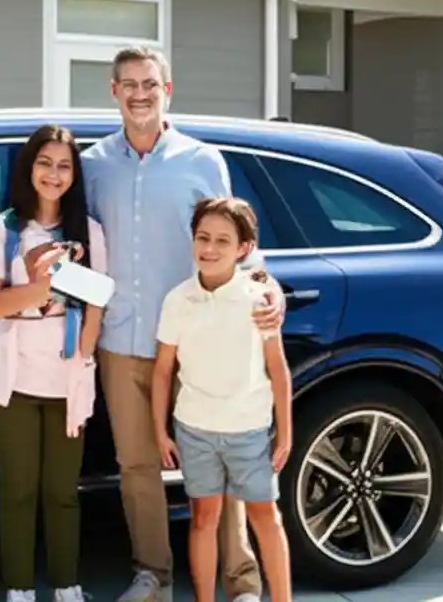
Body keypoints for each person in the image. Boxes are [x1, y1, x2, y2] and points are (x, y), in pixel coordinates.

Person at [81, 46, 284, 602]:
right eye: (129, 84)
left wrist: (270, 290)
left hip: (201, 343)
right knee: (136, 466)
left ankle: (241, 583)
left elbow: (241, 243)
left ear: (167, 91)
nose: (139, 93)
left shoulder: (202, 160)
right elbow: (81, 247)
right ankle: (153, 576)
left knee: (221, 463)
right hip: (122, 339)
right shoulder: (93, 164)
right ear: (114, 92)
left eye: (150, 83)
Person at [0, 124, 109, 602]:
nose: (54, 174)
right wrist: (45, 284)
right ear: (29, 168)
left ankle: (67, 586)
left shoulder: (89, 233)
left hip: (67, 379)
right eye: (45, 163)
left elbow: (97, 302)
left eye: (65, 165)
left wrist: (84, 354)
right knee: (19, 491)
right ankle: (20, 589)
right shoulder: (2, 229)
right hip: (10, 379)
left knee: (63, 491)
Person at [151, 197, 294, 602]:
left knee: (264, 515)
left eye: (222, 241)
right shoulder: (178, 300)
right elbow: (163, 369)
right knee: (204, 518)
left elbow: (278, 368)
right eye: (202, 238)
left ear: (244, 249)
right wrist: (160, 432)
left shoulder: (258, 299)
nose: (209, 249)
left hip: (248, 428)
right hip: (194, 428)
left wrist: (285, 433)